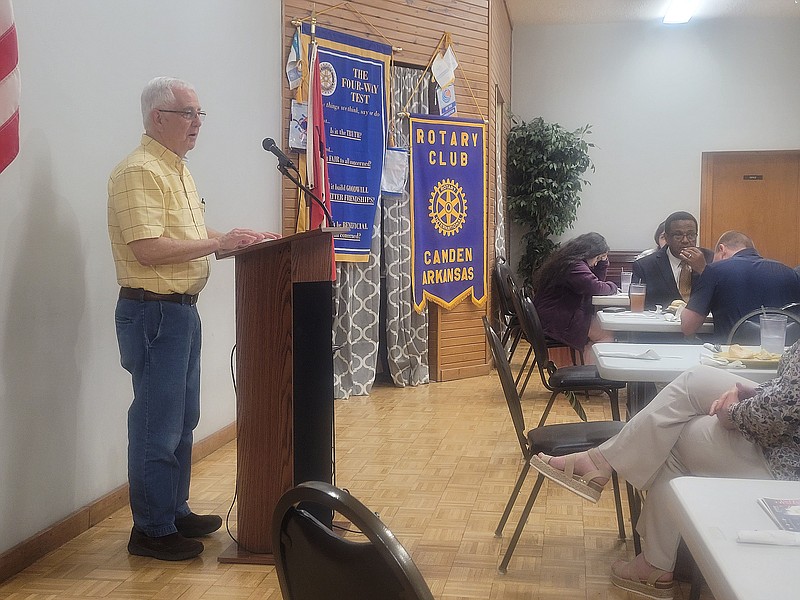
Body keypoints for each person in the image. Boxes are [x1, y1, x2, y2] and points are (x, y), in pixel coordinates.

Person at [108, 77, 279, 561]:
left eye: (200, 113)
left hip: (181, 312)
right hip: (154, 313)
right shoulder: (139, 171)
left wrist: (236, 242)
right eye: (188, 113)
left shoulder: (176, 169)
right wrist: (217, 244)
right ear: (158, 117)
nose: (197, 123)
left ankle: (173, 511)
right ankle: (150, 530)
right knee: (156, 425)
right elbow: (148, 249)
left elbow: (191, 235)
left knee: (183, 420)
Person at [530, 342, 800, 599]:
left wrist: (734, 412)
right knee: (695, 380)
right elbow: (790, 394)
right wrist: (761, 392)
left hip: (786, 464)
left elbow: (780, 412)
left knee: (673, 436)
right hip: (784, 428)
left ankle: (654, 563)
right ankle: (601, 465)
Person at [681, 231, 800, 341]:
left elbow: (688, 326)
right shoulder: (790, 273)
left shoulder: (714, 270)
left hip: (733, 353)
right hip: (781, 353)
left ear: (722, 250)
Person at [532, 232, 617, 356]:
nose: (596, 263)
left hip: (554, 314)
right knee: (606, 335)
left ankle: (583, 364)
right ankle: (588, 367)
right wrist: (614, 287)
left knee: (599, 329)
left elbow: (595, 282)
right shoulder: (574, 266)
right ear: (590, 253)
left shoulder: (569, 261)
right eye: (597, 258)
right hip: (556, 319)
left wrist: (602, 262)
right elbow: (595, 287)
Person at [631, 212, 714, 309]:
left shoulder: (710, 259)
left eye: (691, 235)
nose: (685, 240)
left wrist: (703, 270)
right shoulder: (645, 266)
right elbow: (638, 306)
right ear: (666, 238)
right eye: (678, 235)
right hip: (660, 318)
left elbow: (722, 296)